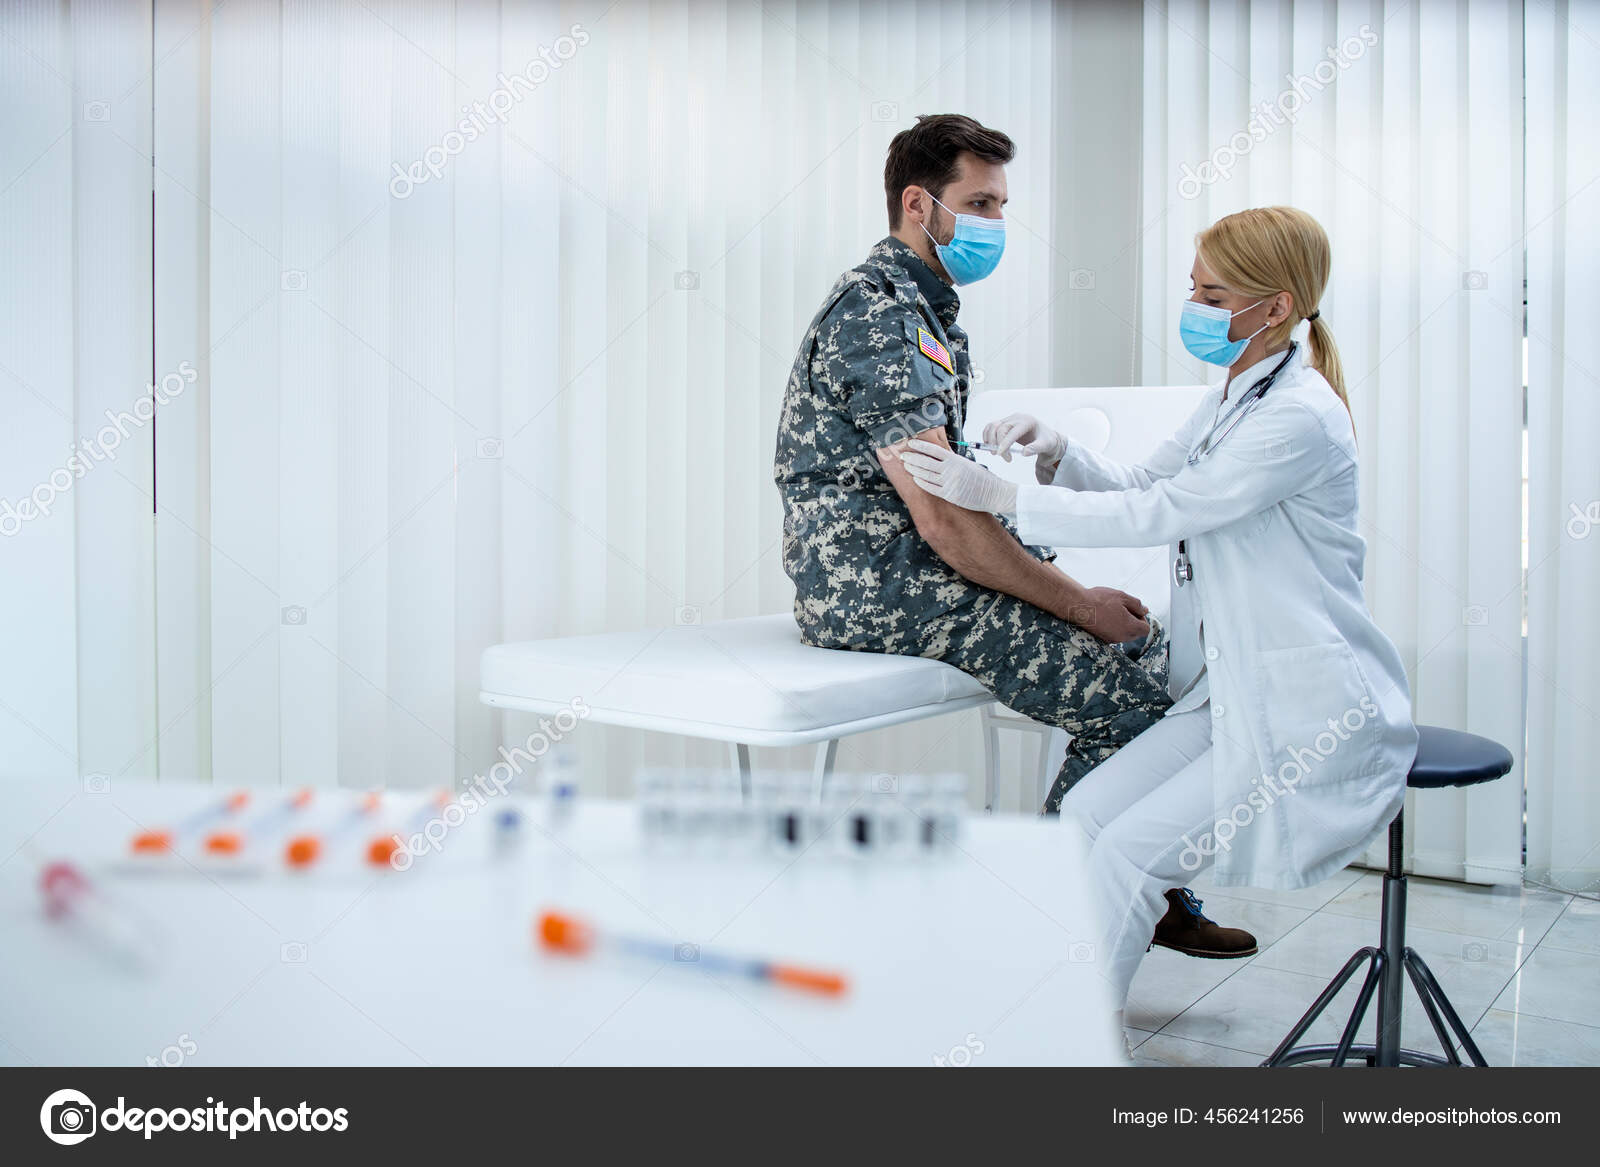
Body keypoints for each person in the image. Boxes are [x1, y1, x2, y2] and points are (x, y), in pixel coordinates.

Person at [900, 205, 1419, 1012]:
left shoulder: (1296, 417)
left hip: (1301, 710)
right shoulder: (1236, 400)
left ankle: (1065, 1046)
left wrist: (1004, 499)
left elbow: (1169, 511)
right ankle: (1038, 1019)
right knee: (1082, 814)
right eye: (1195, 289)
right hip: (1228, 693)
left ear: (1275, 307)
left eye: (1215, 294)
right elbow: (1147, 482)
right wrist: (1055, 451)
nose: (1197, 308)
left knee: (1132, 857)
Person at [773, 114, 1256, 961]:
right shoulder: (878, 315)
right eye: (981, 202)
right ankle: (1051, 929)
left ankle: (1150, 893)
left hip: (923, 566)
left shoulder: (927, 311)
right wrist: (1081, 603)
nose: (997, 222)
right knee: (1146, 717)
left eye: (1002, 203)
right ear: (918, 205)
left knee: (1173, 674)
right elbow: (945, 522)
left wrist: (1055, 570)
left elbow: (953, 503)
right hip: (879, 585)